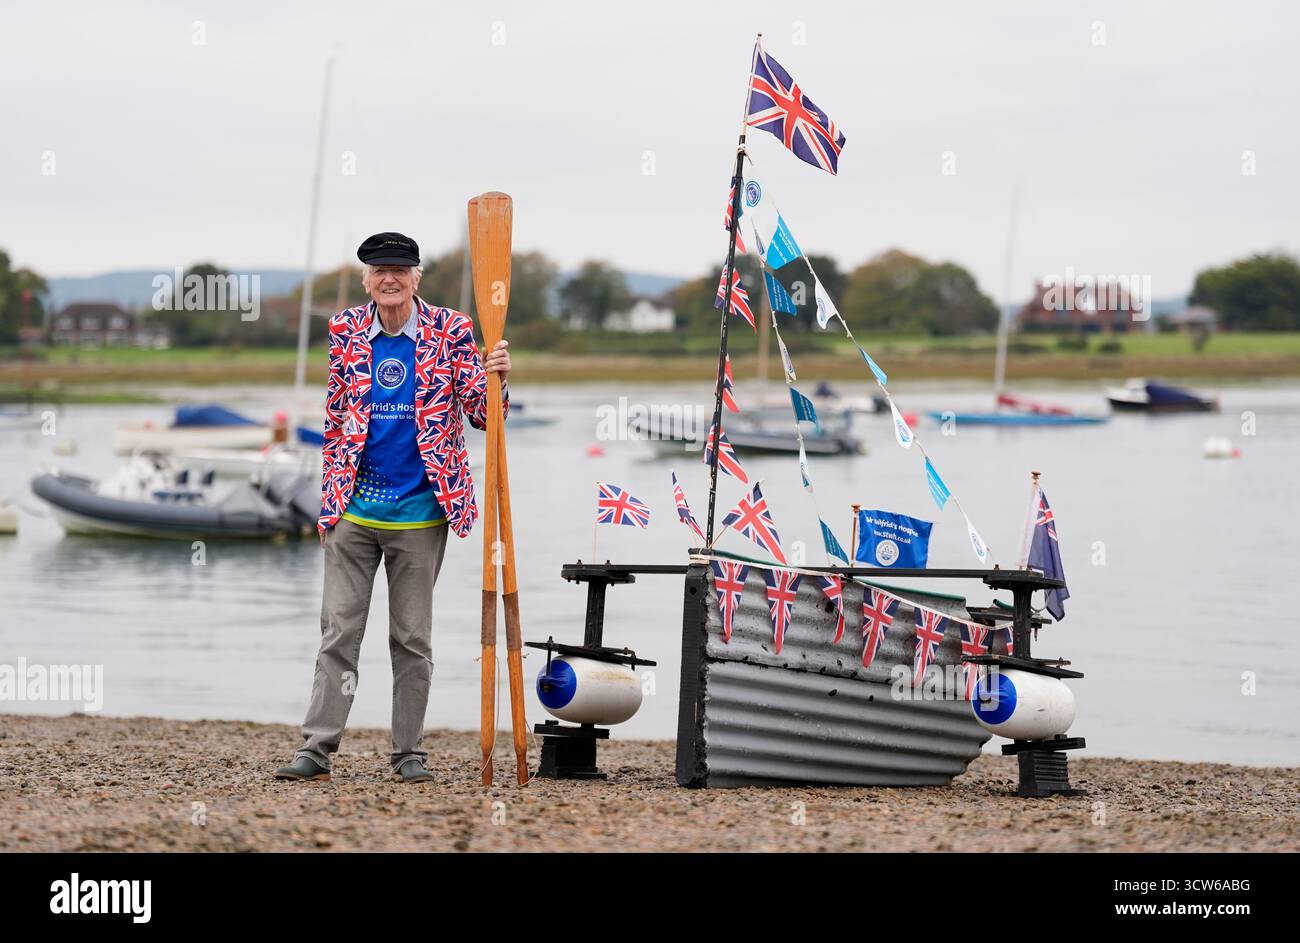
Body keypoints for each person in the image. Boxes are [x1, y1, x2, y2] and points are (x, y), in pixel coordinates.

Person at [274, 230, 510, 783]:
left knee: (411, 639)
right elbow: (337, 419)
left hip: (422, 514)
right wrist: (330, 501)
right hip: (353, 514)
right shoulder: (344, 330)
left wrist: (497, 374)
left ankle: (407, 753)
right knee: (338, 634)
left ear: (416, 278)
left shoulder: (452, 329)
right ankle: (317, 747)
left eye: (400, 270)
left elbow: (481, 414)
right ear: (366, 279)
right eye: (379, 270)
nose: (389, 279)